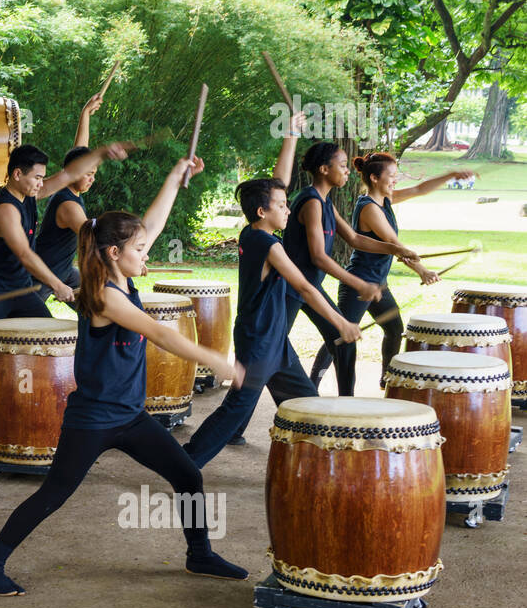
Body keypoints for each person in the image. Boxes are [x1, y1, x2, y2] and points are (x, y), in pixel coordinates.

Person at [0, 155, 248, 596]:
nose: (148, 253)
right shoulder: (103, 295)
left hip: (131, 417)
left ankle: (199, 554)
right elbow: (158, 332)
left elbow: (152, 225)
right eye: (140, 250)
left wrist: (174, 177)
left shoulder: (123, 275)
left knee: (187, 476)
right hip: (93, 420)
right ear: (115, 253)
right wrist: (216, 361)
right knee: (54, 494)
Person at [183, 174, 363, 470]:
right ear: (262, 211)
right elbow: (306, 288)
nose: (288, 210)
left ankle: (323, 466)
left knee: (307, 404)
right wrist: (341, 323)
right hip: (259, 342)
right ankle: (185, 462)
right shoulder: (270, 246)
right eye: (281, 205)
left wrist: (290, 136)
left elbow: (271, 185)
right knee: (235, 409)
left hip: (273, 340)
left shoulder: (250, 234)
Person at [0, 141, 125, 382]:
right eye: (38, 177)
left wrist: (102, 153)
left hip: (22, 290)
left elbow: (70, 172)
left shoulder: (29, 194)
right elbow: (25, 254)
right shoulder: (6, 210)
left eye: (43, 178)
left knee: (46, 338)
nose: (42, 183)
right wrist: (58, 284)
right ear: (17, 174)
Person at [309, 154, 474, 393]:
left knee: (394, 329)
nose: (395, 181)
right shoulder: (369, 209)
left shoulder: (385, 199)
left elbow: (419, 189)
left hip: (378, 284)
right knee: (342, 335)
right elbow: (395, 245)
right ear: (374, 178)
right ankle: (311, 384)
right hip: (359, 285)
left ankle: (387, 379)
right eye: (391, 176)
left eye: (396, 176)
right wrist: (423, 270)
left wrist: (451, 175)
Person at [282, 140, 419, 383]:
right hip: (290, 289)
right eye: (343, 165)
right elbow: (319, 257)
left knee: (344, 339)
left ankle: (347, 402)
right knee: (273, 346)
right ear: (324, 169)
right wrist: (359, 284)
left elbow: (355, 239)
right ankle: (297, 389)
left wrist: (397, 249)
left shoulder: (326, 203)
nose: (347, 170)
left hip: (310, 287)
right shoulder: (312, 202)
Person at [33, 93, 125, 301]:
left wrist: (85, 114)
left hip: (63, 270)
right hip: (43, 274)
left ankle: (94, 327)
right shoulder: (67, 205)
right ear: (74, 171)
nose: (92, 179)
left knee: (98, 298)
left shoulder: (69, 187)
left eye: (94, 174)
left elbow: (80, 150)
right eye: (88, 174)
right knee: (27, 326)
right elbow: (92, 237)